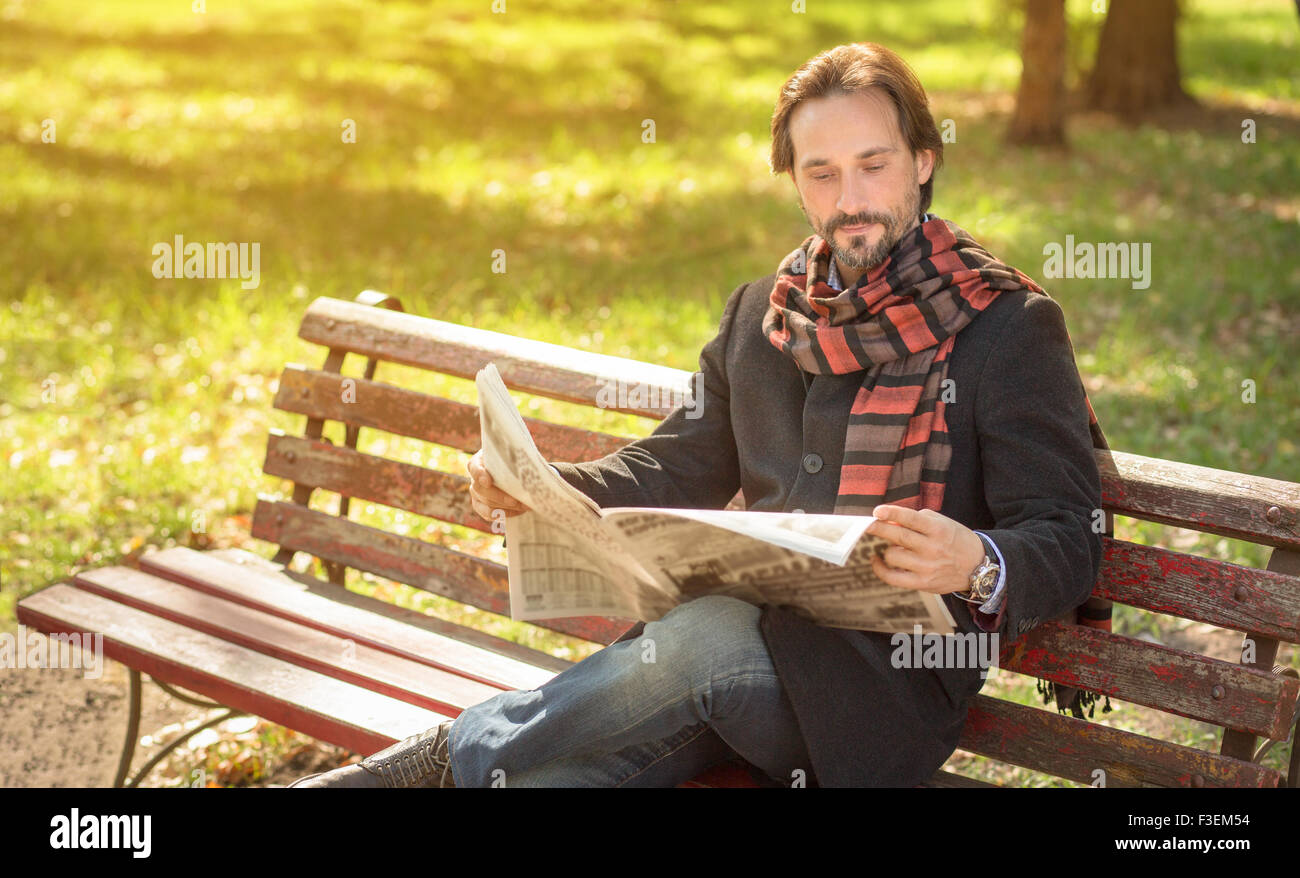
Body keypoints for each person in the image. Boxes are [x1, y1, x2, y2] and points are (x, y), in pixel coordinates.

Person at [289, 41, 1103, 789]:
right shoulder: (764, 316)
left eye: (873, 165)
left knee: (706, 632)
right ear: (794, 181)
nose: (849, 200)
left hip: (873, 702)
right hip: (714, 676)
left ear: (923, 162)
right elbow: (676, 461)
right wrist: (540, 486)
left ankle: (427, 765)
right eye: (821, 173)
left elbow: (1070, 531)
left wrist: (979, 559)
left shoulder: (1005, 328)